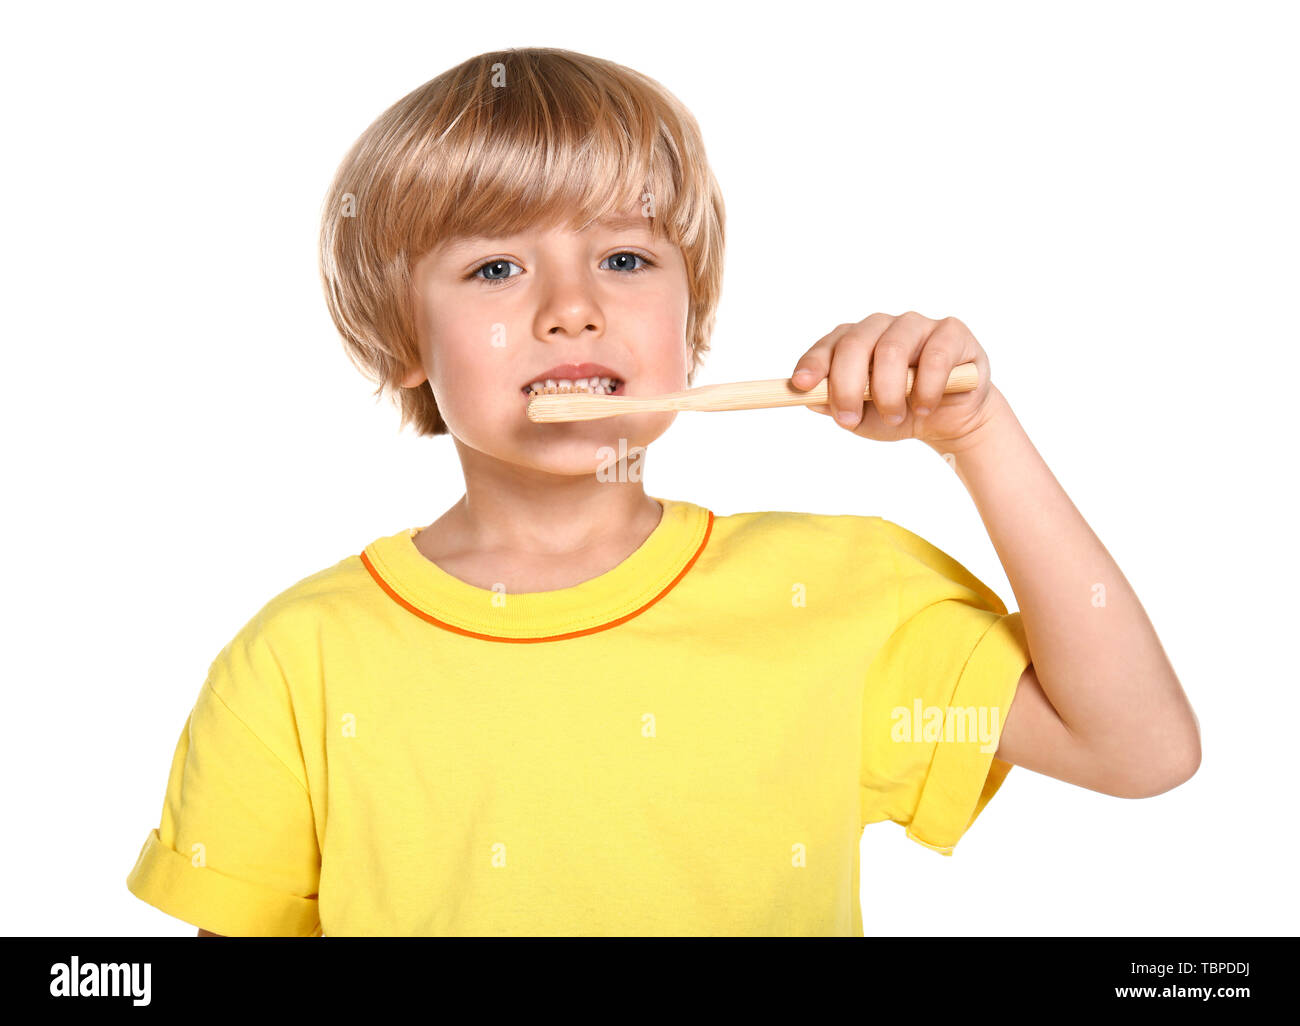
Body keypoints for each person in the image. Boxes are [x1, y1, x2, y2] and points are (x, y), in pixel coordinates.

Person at [125, 46, 1199, 937]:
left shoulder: (835, 590)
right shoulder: (296, 657)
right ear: (402, 340)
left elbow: (1141, 751)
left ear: (691, 323)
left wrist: (976, 435)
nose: (572, 308)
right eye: (495, 268)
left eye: (627, 259)